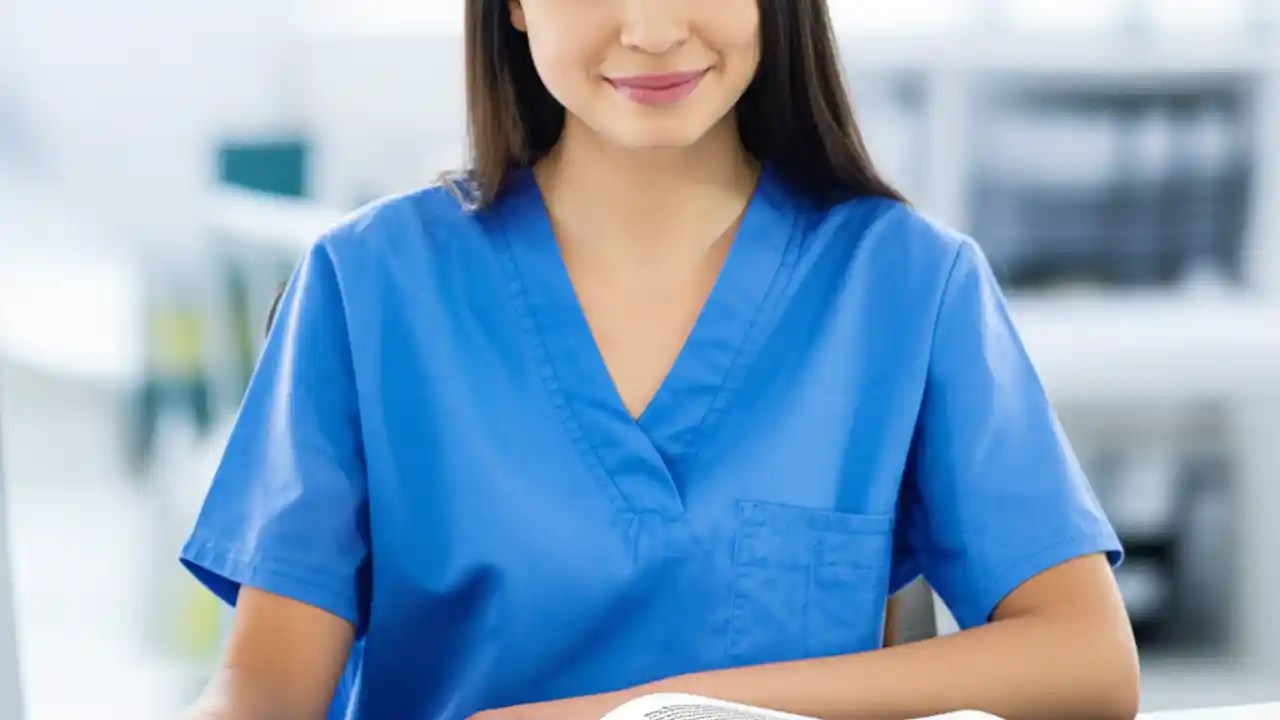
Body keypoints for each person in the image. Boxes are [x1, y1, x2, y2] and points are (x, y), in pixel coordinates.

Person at [180, 1, 1140, 718]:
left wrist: (640, 713)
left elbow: (1088, 662)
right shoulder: (367, 286)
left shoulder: (909, 285)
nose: (650, 28)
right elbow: (265, 683)